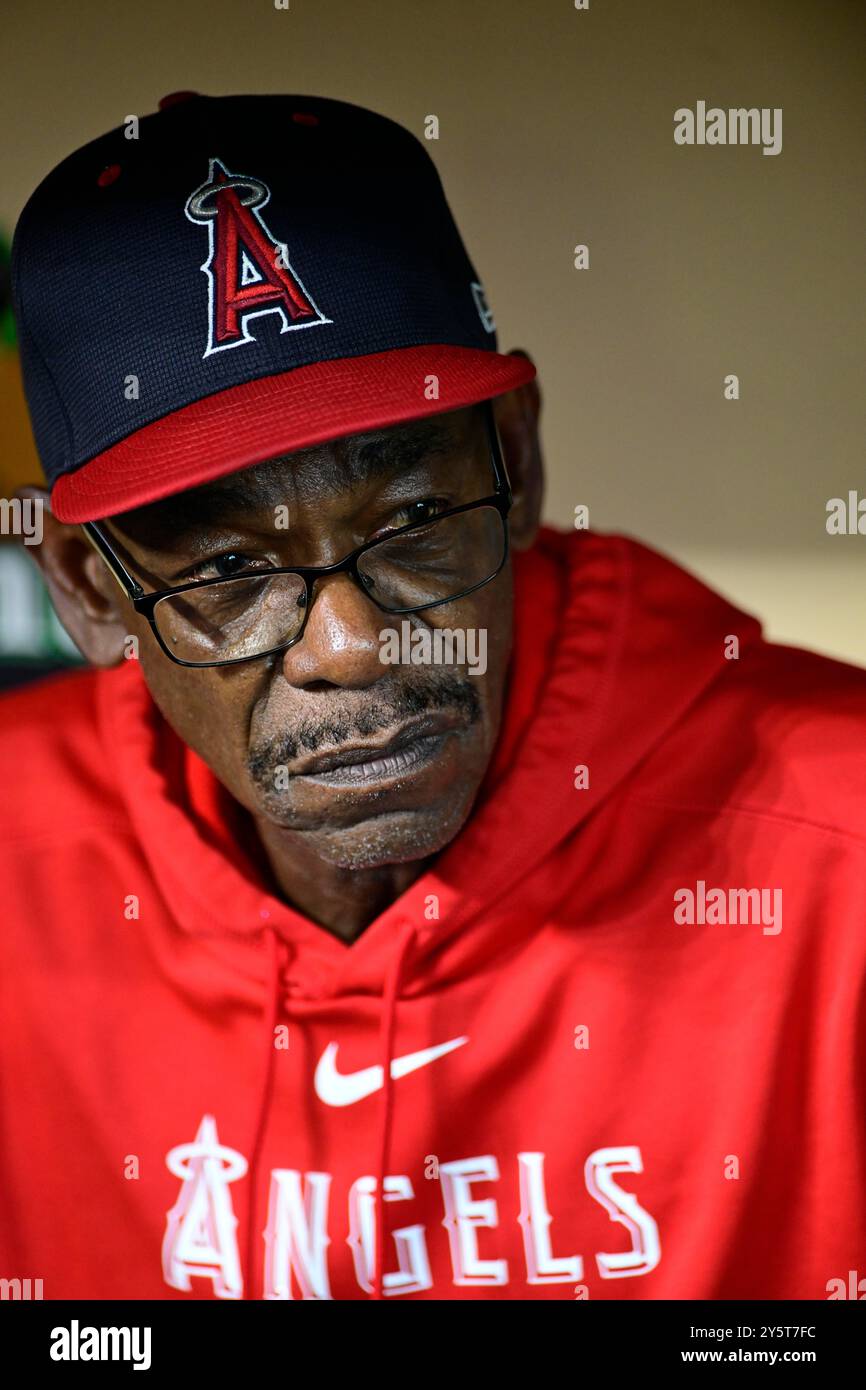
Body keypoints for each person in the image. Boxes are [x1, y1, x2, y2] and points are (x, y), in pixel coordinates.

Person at [1, 92, 864, 1303]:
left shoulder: (839, 846)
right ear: (91, 592)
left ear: (513, 461)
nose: (348, 649)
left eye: (410, 522)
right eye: (229, 572)